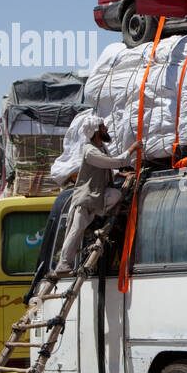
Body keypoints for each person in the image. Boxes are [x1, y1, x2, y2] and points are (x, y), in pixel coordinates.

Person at [50, 116, 141, 277]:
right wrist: (132, 148)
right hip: (86, 198)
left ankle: (96, 217)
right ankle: (63, 264)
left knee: (115, 194)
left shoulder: (102, 148)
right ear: (97, 132)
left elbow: (106, 167)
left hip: (97, 195)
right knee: (76, 229)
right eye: (103, 126)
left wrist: (120, 173)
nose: (106, 128)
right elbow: (112, 162)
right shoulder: (90, 150)